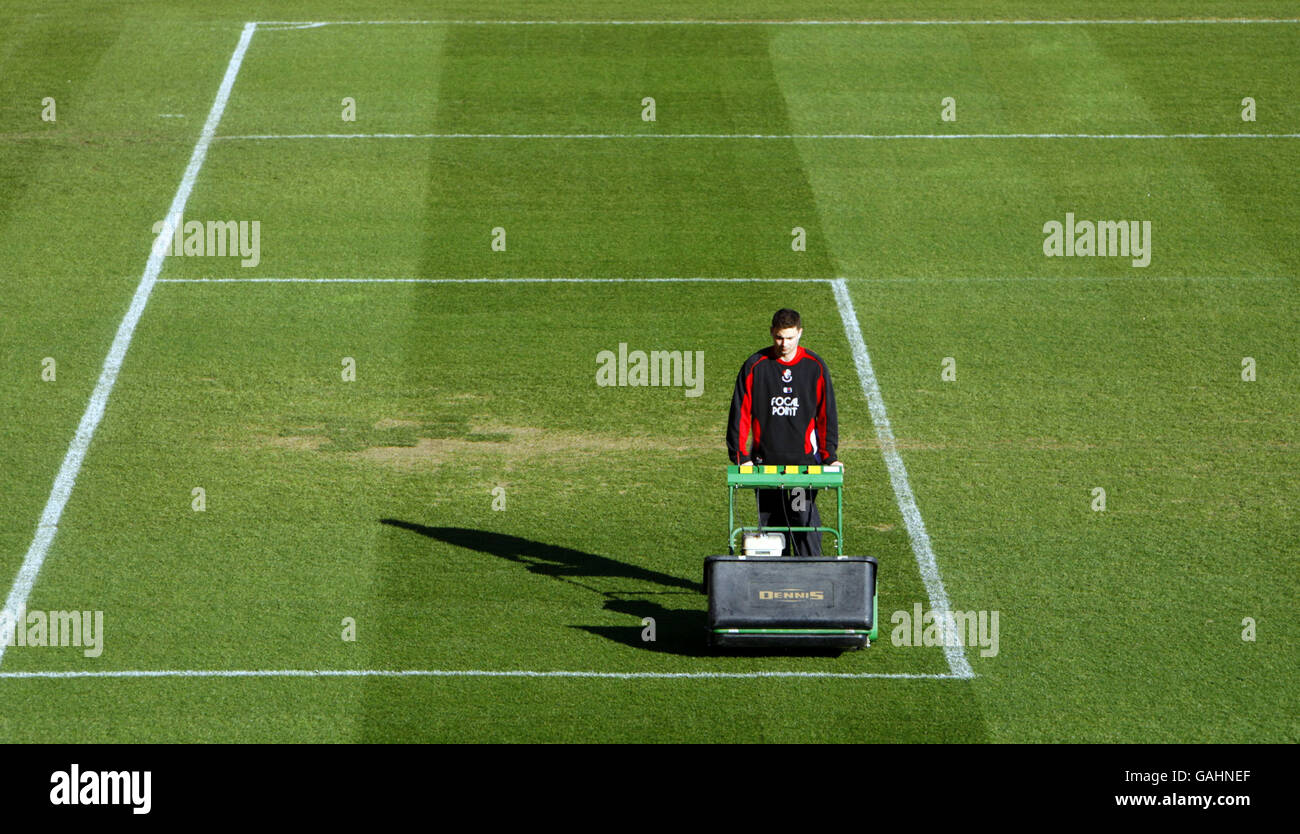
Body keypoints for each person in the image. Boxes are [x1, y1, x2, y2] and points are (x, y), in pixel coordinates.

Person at [726, 308, 841, 556]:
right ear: (771, 333)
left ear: (800, 333)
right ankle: (771, 582)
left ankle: (812, 575)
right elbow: (740, 413)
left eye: (789, 338)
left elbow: (826, 416)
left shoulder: (815, 367)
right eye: (779, 337)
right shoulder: (756, 366)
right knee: (771, 524)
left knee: (801, 516)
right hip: (765, 464)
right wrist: (740, 457)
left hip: (803, 466)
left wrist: (829, 456)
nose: (784, 344)